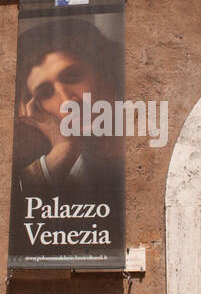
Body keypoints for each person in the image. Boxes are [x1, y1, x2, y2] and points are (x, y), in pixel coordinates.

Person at [14, 17, 123, 198]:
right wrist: (65, 147)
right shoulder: (63, 171)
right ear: (36, 110)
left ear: (106, 75)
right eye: (46, 93)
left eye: (73, 76)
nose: (67, 100)